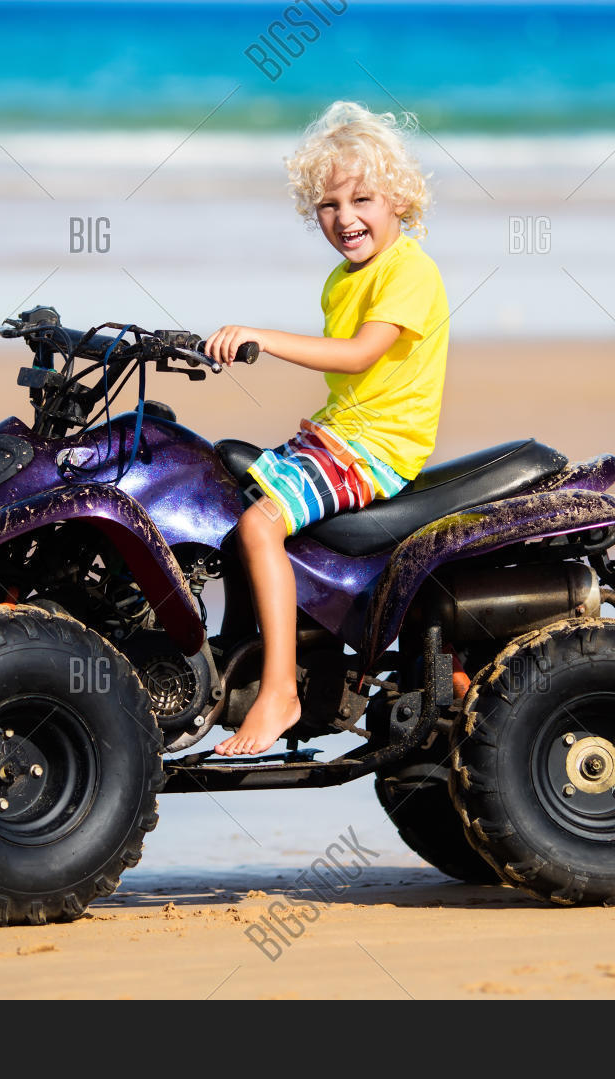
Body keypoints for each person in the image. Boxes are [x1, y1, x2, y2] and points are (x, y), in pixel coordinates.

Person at [204, 100, 449, 756]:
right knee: (228, 501)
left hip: (375, 446)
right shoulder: (344, 278)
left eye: (362, 199)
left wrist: (262, 336)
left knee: (261, 525)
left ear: (399, 198)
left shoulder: (409, 272)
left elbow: (361, 354)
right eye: (328, 206)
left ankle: (280, 690)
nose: (346, 219)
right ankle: (237, 652)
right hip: (339, 431)